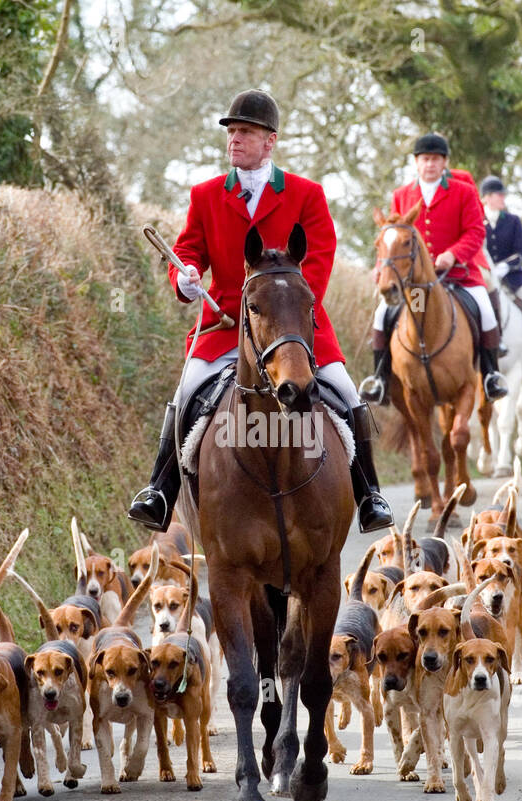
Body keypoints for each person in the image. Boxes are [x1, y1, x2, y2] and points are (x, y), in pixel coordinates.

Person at [127, 90, 393, 534]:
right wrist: (187, 276)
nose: (235, 140)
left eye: (245, 132)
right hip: (225, 325)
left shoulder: (307, 196)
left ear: (270, 140)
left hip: (293, 328)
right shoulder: (206, 194)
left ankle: (369, 494)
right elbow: (188, 247)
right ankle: (160, 490)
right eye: (231, 132)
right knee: (187, 393)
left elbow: (320, 261)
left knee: (347, 396)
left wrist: (290, 313)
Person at [359, 133, 507, 408]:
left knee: (486, 311)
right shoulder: (401, 195)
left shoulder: (463, 191)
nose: (430, 164)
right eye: (425, 159)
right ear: (416, 162)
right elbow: (392, 235)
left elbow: (476, 231)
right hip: (417, 285)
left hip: (459, 276)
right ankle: (380, 379)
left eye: (436, 159)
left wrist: (453, 254)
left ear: (445, 163)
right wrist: (382, 266)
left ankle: (491, 375)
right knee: (383, 315)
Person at [481, 175, 522, 349]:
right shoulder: (478, 222)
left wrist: (505, 266)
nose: (503, 198)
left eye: (503, 195)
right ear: (487, 197)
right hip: (485, 275)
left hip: (512, 276)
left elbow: (521, 252)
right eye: (498, 195)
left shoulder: (513, 221)